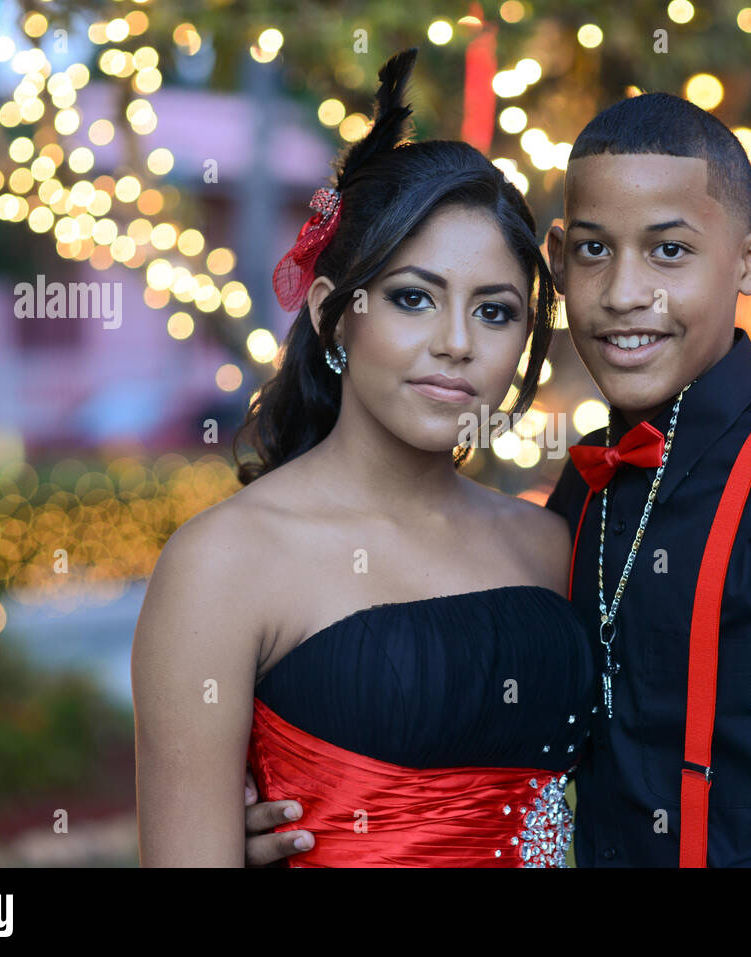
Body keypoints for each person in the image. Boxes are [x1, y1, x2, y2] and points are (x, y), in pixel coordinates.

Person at [242, 90, 751, 867]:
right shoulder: (583, 498)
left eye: (669, 251)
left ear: (750, 261)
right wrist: (322, 805)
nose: (623, 293)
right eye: (595, 251)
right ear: (559, 255)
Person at [133, 47, 596, 867]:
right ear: (334, 315)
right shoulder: (222, 564)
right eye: (414, 298)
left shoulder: (550, 544)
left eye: (494, 312)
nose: (456, 344)